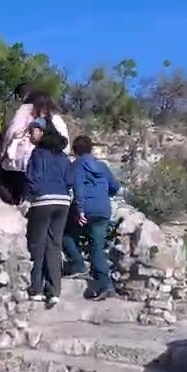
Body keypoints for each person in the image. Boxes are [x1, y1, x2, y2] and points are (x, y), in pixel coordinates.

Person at [24, 118, 73, 308]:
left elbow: (32, 178)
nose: (30, 135)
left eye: (32, 131)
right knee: (54, 246)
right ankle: (54, 292)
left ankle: (36, 289)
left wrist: (30, 195)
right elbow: (69, 180)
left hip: (42, 201)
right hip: (63, 202)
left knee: (37, 244)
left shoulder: (38, 154)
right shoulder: (62, 156)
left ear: (42, 132)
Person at [68, 135, 123, 300]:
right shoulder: (102, 166)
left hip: (87, 209)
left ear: (74, 150)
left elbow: (78, 188)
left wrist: (80, 210)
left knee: (64, 235)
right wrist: (103, 196)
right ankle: (107, 286)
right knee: (97, 248)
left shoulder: (77, 165)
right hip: (104, 210)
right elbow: (115, 187)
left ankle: (78, 264)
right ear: (91, 148)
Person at [0, 85, 38, 205]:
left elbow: (9, 132)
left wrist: (3, 152)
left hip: (15, 160)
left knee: (2, 187)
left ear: (18, 96)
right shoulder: (40, 111)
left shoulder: (19, 110)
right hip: (32, 161)